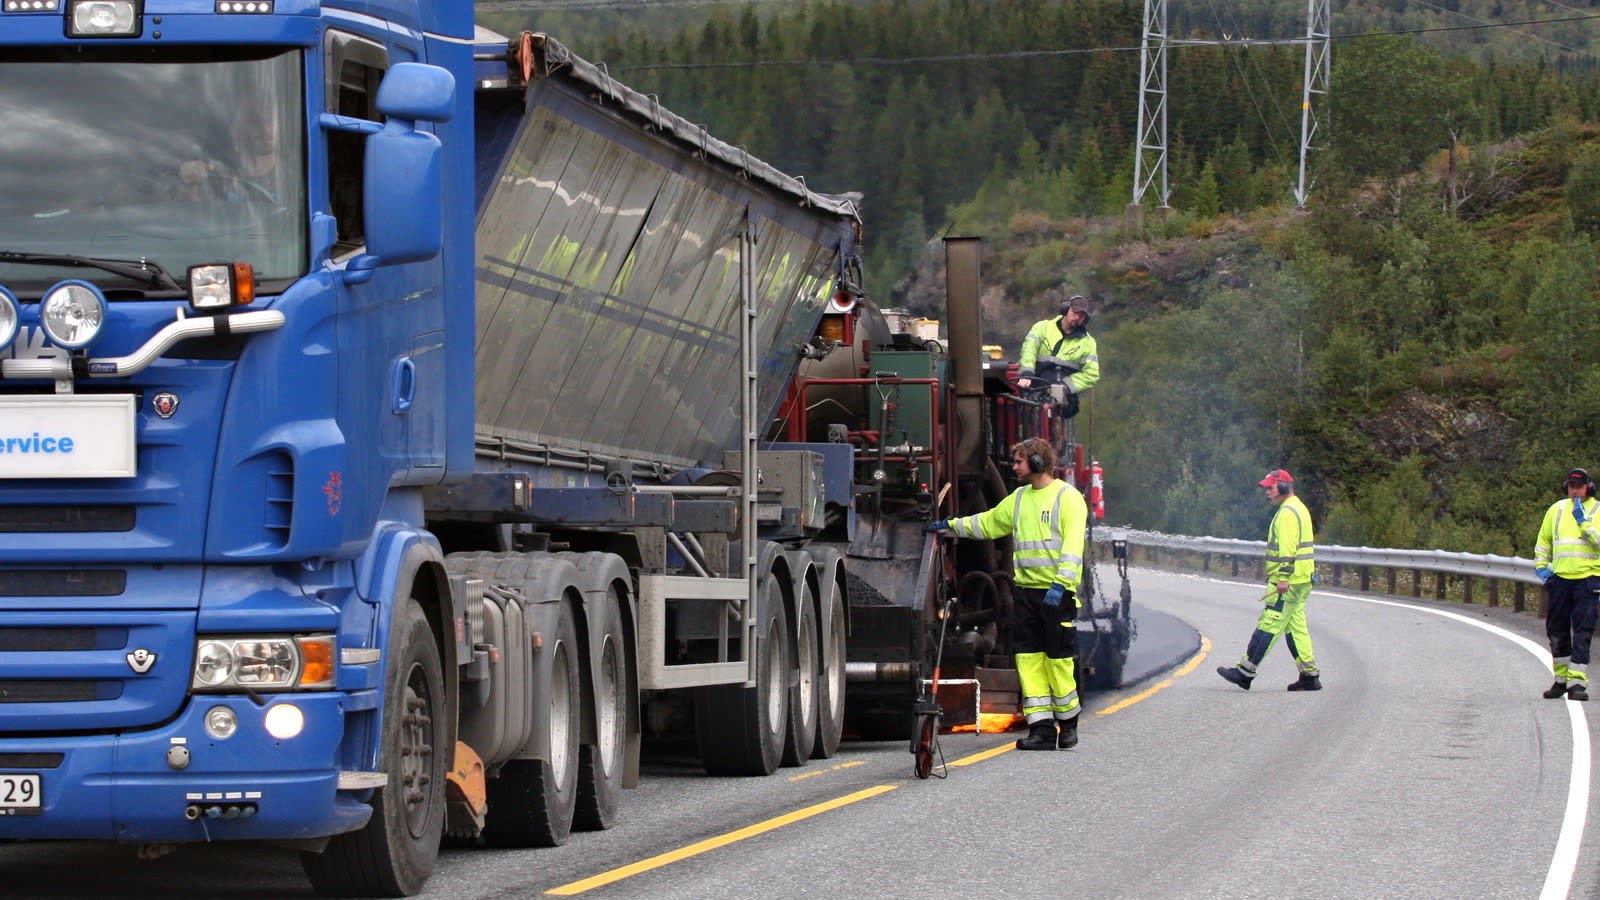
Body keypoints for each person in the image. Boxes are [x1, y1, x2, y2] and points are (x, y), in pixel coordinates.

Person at [926, 436, 1088, 750]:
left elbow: (1072, 550)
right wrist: (950, 526)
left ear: (1038, 463)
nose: (1013, 467)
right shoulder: (1018, 499)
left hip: (1057, 596)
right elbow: (988, 524)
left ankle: (1068, 724)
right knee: (1028, 661)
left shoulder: (1067, 498)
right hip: (1026, 594)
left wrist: (1060, 586)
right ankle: (1040, 730)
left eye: (1019, 461)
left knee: (1058, 661)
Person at [1217, 468, 1322, 691]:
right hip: (1303, 579)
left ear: (1284, 487)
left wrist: (1283, 578)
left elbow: (1287, 549)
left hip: (1288, 582)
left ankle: (1245, 671)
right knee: (1296, 626)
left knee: (1270, 624)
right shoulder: (1300, 508)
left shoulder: (1286, 513)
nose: (1267, 492)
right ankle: (1309, 675)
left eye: (1271, 488)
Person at [1532, 467, 1600, 702]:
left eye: (1579, 487)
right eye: (1571, 487)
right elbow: (1544, 541)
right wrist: (1541, 568)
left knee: (1582, 631)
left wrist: (1584, 523)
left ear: (1588, 488)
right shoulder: (1557, 509)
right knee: (1557, 631)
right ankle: (1561, 680)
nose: (1575, 491)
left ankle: (1577, 683)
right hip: (1560, 580)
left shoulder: (1597, 510)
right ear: (1566, 487)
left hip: (1588, 580)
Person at [1015, 292, 1100, 418]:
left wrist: (1064, 386)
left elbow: (1091, 374)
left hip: (1064, 395)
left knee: (1061, 408)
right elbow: (1029, 350)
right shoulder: (1042, 328)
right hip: (1035, 385)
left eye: (1081, 316)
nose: (1077, 317)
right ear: (1065, 309)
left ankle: (1052, 428)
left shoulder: (1088, 343)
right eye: (1075, 312)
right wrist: (1026, 373)